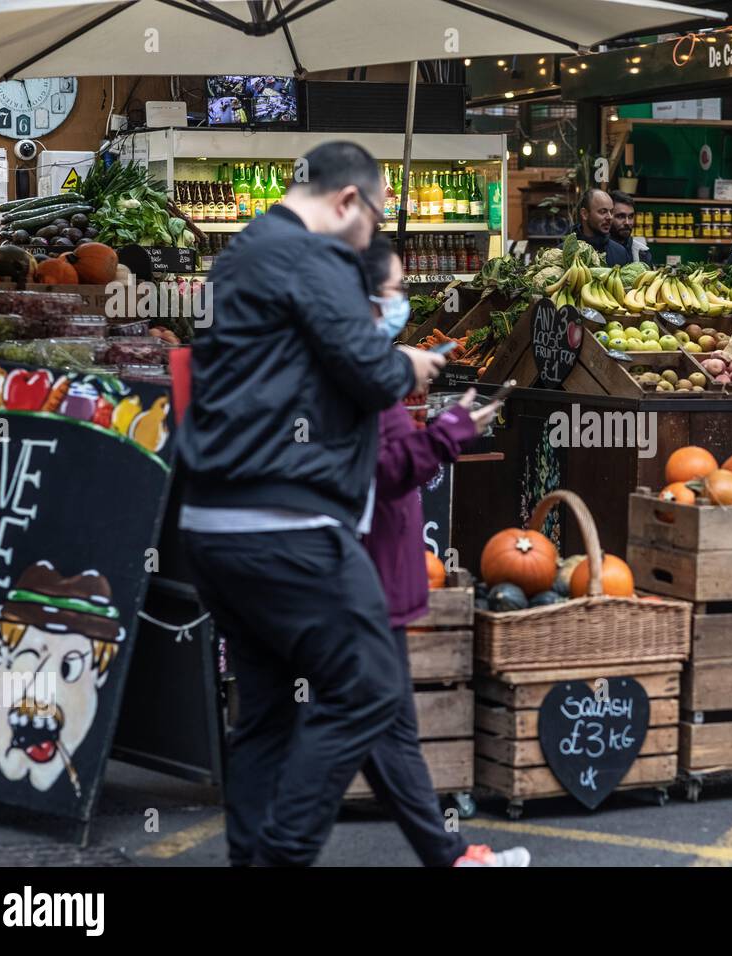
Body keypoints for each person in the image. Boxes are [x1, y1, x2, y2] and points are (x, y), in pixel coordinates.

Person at [176, 141, 447, 867]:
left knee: (264, 712)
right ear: (348, 202)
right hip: (286, 523)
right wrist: (409, 364)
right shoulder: (315, 256)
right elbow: (365, 368)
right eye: (377, 215)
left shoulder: (244, 251)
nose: (372, 238)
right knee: (368, 685)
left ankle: (252, 859)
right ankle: (282, 856)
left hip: (212, 524)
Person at [358, 234, 530, 867]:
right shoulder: (359, 376)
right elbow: (385, 467)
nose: (407, 301)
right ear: (369, 303)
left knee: (386, 730)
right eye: (397, 291)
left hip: (374, 574)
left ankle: (449, 854)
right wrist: (455, 427)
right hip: (363, 577)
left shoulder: (367, 366)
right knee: (338, 737)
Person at [570, 187, 629, 266]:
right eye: (603, 212)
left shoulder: (620, 253)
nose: (609, 217)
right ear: (584, 214)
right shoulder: (564, 252)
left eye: (611, 212)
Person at [608, 190, 652, 266]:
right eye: (621, 216)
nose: (627, 222)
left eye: (631, 216)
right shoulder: (595, 252)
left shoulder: (642, 253)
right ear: (608, 216)